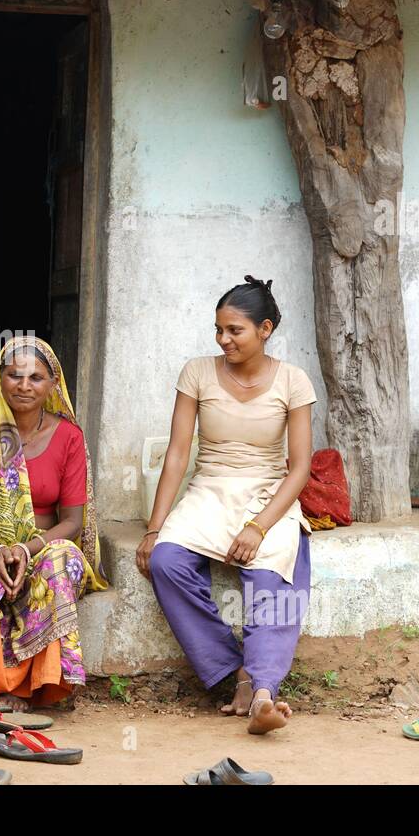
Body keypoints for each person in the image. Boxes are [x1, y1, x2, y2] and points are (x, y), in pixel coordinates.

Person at [135, 276, 316, 735]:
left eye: (235, 330)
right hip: (209, 490)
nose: (223, 339)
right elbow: (177, 454)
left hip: (267, 494)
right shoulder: (197, 372)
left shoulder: (293, 381)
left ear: (266, 329)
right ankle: (239, 674)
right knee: (167, 562)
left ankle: (262, 693)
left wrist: (258, 526)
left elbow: (299, 469)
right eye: (219, 329)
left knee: (272, 572)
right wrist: (155, 529)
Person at [0, 336, 108, 712]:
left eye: (36, 377)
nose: (25, 386)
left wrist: (26, 550)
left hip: (43, 546)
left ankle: (35, 686)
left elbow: (73, 522)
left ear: (52, 384)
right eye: (15, 376)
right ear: (0, 379)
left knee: (62, 558)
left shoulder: (68, 437)